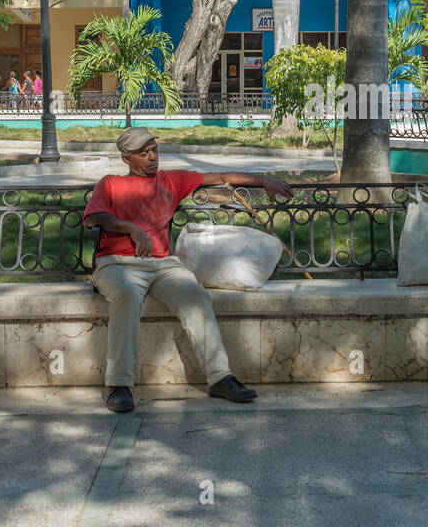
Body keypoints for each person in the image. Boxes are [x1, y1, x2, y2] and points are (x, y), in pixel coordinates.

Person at [83, 127, 294, 413]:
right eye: (143, 153)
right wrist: (131, 228)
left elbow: (221, 177)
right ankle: (119, 384)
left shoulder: (170, 180)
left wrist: (265, 181)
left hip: (162, 265)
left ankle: (220, 377)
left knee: (195, 294)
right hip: (117, 264)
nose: (152, 157)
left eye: (155, 150)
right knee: (127, 294)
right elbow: (93, 217)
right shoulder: (109, 184)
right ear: (126, 158)